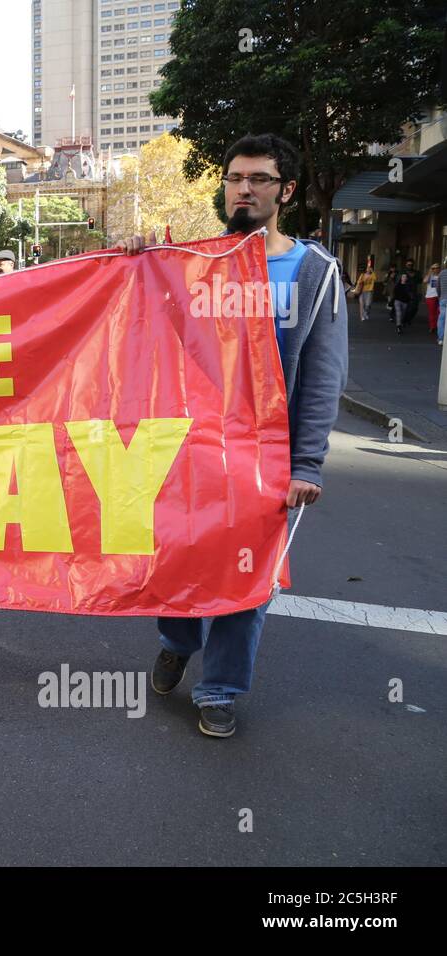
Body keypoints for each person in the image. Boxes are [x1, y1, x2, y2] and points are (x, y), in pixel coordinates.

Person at [118, 133, 348, 738]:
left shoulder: (314, 273)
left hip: (264, 461)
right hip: (190, 451)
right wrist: (141, 261)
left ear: (286, 191)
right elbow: (143, 327)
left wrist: (308, 465)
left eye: (259, 179)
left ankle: (219, 688)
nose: (243, 189)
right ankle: (177, 641)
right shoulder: (198, 262)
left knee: (249, 577)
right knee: (179, 562)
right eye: (234, 178)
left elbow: (323, 375)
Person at [392, 269, 414, 333]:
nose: (404, 278)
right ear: (401, 278)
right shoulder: (397, 285)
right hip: (397, 301)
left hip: (405, 302)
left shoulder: (408, 286)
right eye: (403, 277)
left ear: (407, 278)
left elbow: (410, 293)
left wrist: (410, 298)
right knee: (399, 313)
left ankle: (401, 322)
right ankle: (398, 326)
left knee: (403, 314)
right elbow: (394, 292)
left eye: (405, 277)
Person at [424, 263, 439, 337]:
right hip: (430, 297)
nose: (435, 269)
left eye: (437, 268)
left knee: (438, 312)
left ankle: (437, 326)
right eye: (434, 268)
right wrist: (430, 272)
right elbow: (425, 281)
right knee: (432, 313)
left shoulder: (440, 276)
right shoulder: (429, 276)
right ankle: (432, 327)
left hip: (439, 297)